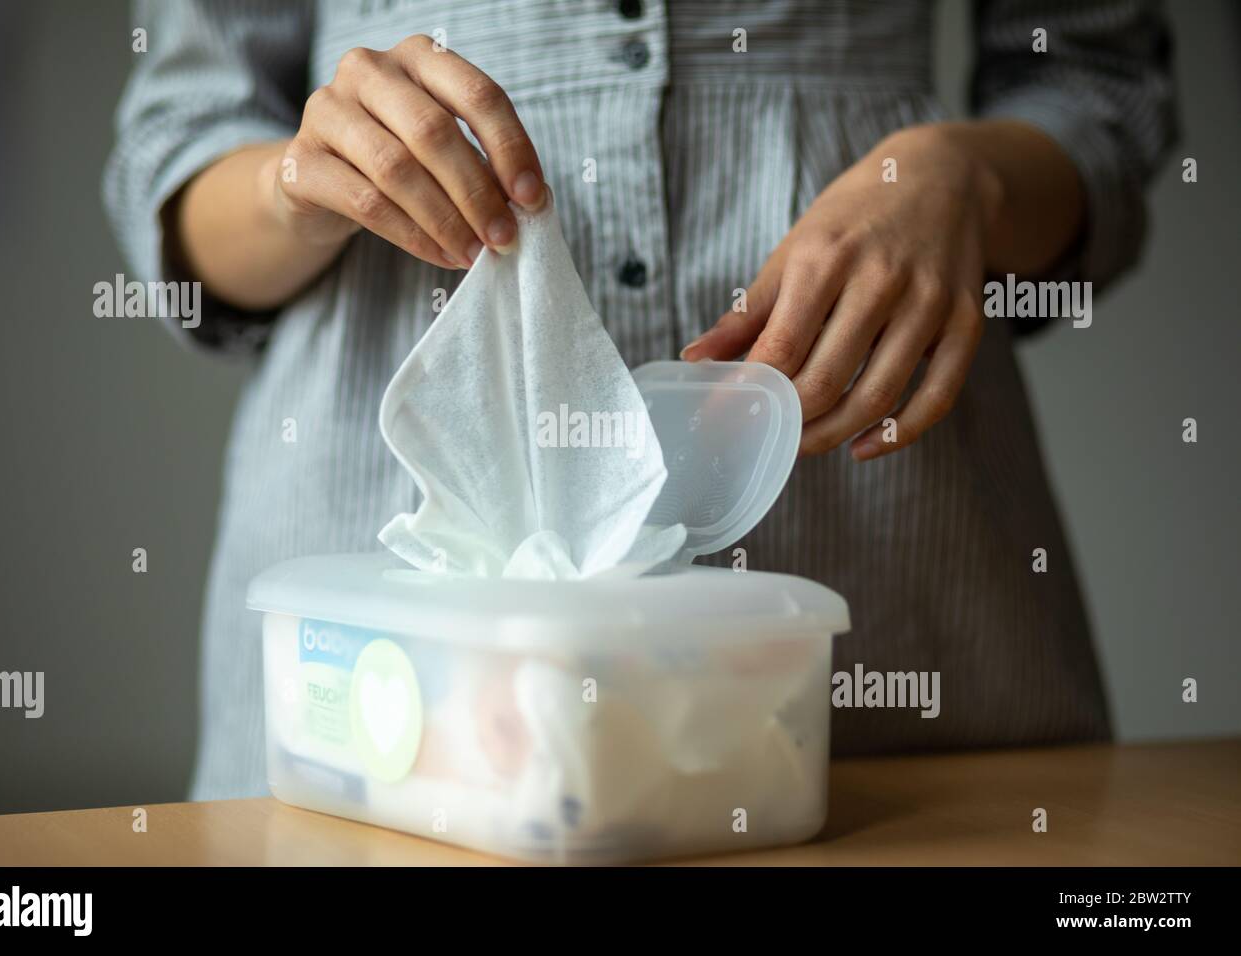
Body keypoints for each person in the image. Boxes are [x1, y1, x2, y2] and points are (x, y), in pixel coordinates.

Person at [105, 0, 1176, 801]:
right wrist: (299, 179)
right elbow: (178, 144)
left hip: (888, 575)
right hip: (389, 641)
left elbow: (1099, 89)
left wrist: (961, 178)